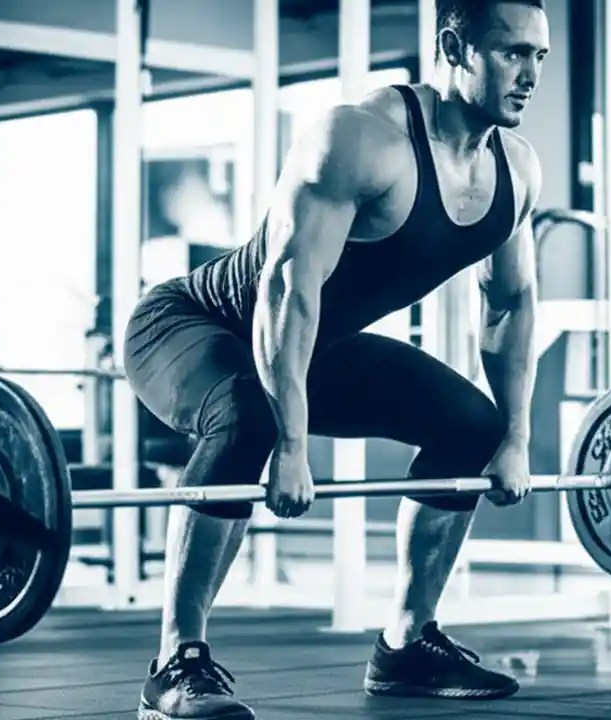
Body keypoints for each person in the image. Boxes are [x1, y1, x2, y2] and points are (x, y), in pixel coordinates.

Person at [125, 1, 550, 718]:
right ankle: (174, 664)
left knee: (470, 430)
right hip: (191, 325)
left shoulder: (514, 171)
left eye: (540, 56)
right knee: (247, 416)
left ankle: (406, 646)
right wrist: (291, 444)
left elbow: (508, 305)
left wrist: (515, 437)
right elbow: (286, 293)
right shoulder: (362, 139)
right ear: (454, 45)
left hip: (315, 343)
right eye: (513, 53)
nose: (531, 74)